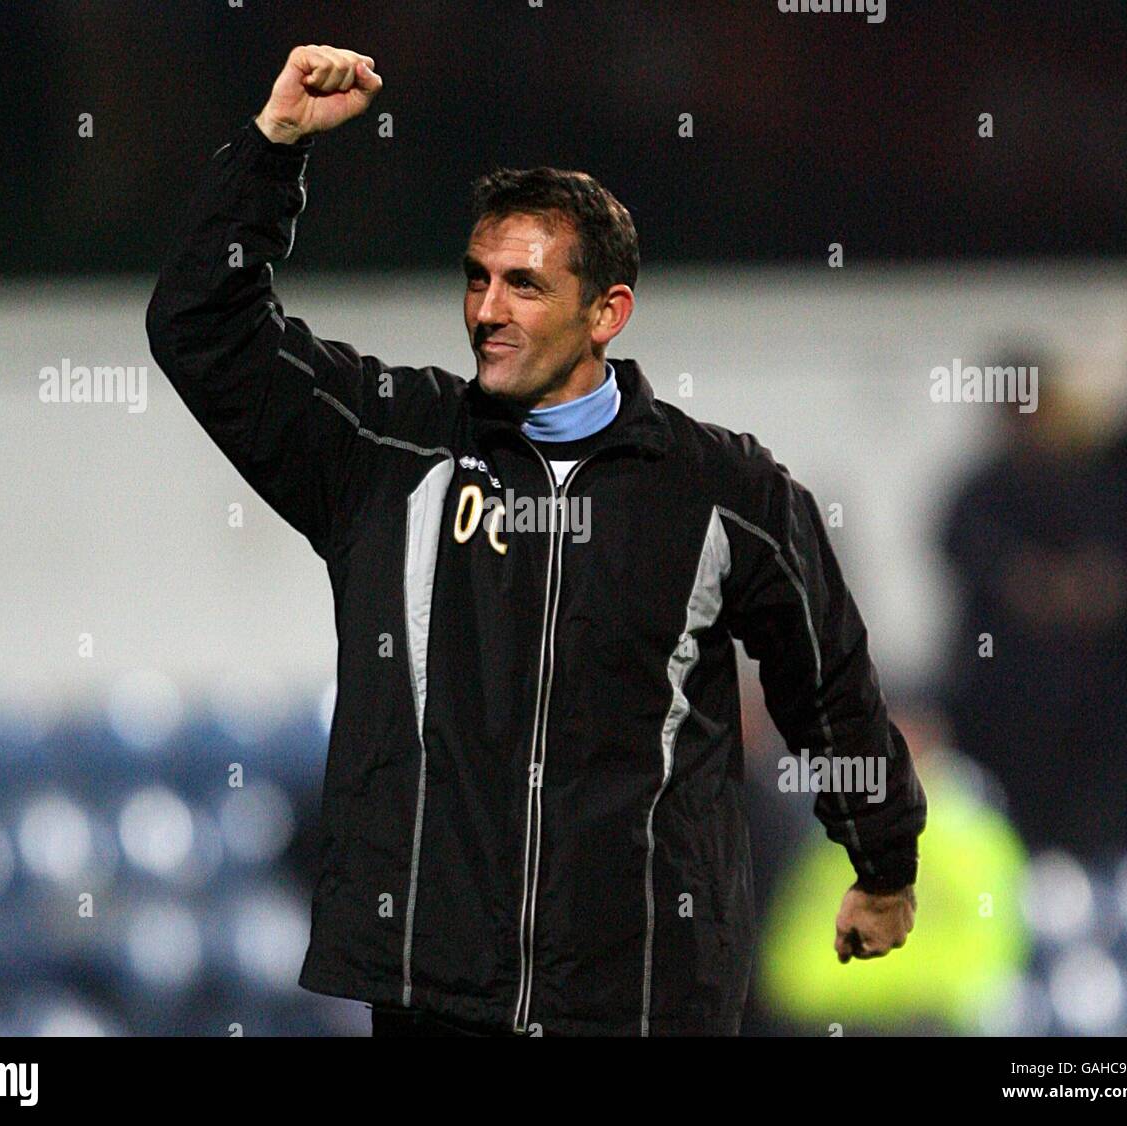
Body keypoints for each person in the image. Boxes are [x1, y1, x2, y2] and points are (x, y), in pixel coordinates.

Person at [146, 43, 926, 1037]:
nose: (487, 312)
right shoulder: (389, 447)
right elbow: (201, 328)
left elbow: (830, 682)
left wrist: (882, 862)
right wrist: (271, 154)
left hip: (646, 996)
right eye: (477, 280)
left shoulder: (725, 492)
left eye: (524, 286)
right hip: (440, 993)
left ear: (608, 312)